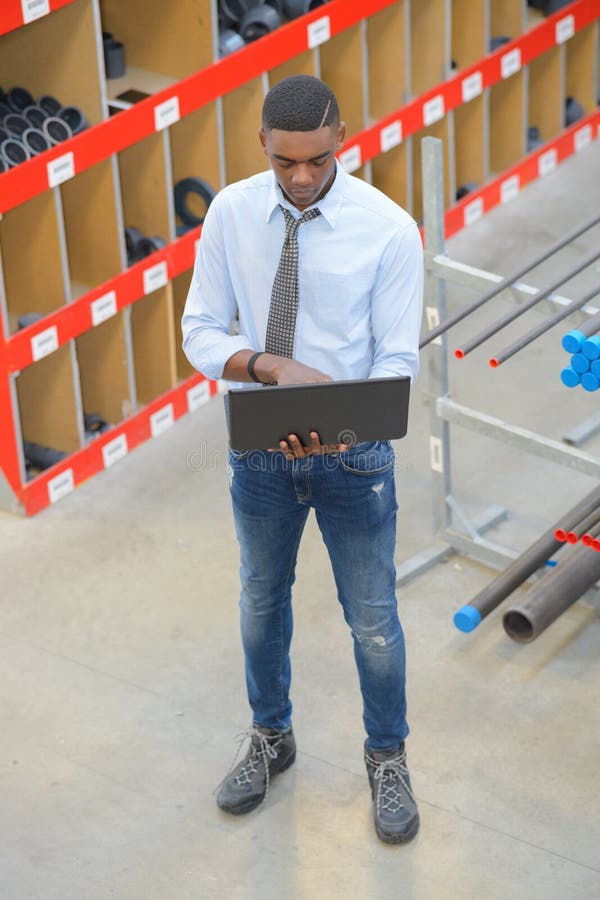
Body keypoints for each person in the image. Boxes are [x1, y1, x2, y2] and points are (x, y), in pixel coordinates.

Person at [182, 74, 423, 844]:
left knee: (373, 618)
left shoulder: (388, 230)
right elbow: (199, 331)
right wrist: (269, 367)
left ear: (341, 139)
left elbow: (396, 362)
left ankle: (387, 755)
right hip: (261, 454)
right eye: (285, 161)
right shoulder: (231, 214)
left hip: (354, 459)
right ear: (262, 143)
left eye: (317, 160)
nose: (301, 177)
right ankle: (271, 736)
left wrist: (340, 422)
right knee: (261, 600)